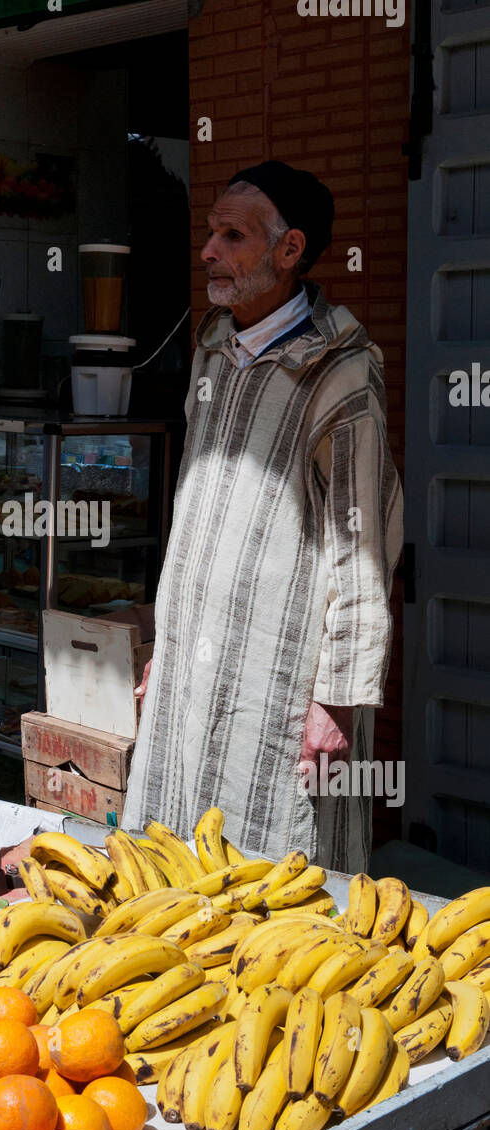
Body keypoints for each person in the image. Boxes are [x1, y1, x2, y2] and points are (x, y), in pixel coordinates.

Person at [121, 161, 403, 872]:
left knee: (273, 870)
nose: (208, 251)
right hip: (197, 656)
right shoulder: (214, 351)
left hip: (280, 675)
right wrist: (167, 645)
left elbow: (363, 541)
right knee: (173, 852)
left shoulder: (338, 374)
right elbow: (198, 507)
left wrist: (337, 701)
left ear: (288, 251)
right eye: (210, 233)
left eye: (231, 236)